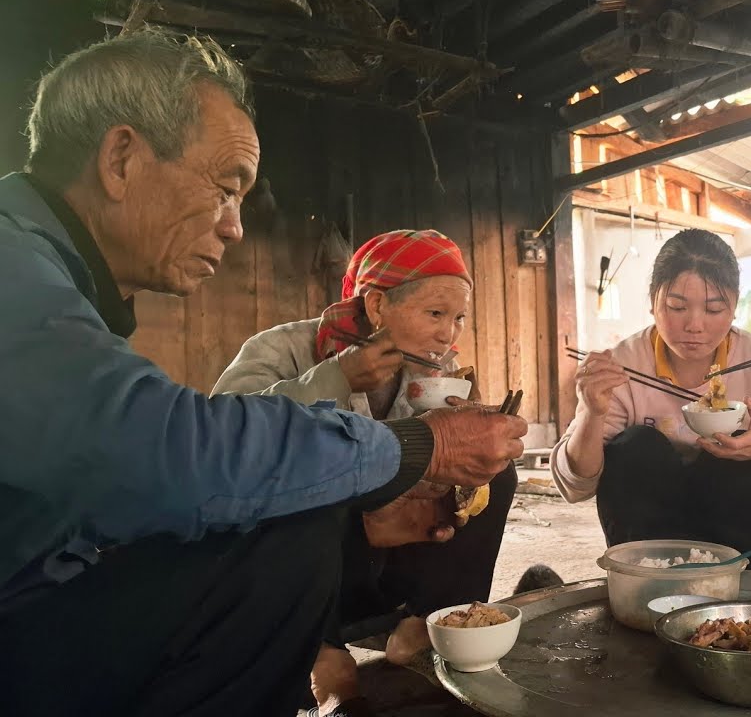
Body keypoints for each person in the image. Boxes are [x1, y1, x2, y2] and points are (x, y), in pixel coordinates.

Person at [0, 30, 526, 717]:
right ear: (121, 159)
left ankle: (414, 625)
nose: (234, 227)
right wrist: (417, 448)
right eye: (226, 188)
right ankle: (326, 652)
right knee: (282, 524)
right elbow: (177, 453)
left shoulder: (50, 276)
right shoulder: (14, 271)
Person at [215, 229, 556, 713]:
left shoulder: (434, 370)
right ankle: (322, 656)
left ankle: (424, 621)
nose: (448, 334)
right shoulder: (284, 348)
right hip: (306, 569)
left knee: (491, 473)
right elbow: (224, 437)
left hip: (395, 554)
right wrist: (337, 377)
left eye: (458, 318)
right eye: (435, 314)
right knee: (323, 468)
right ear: (376, 307)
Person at [551, 229, 751, 568]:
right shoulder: (622, 365)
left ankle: (735, 586)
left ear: (735, 307)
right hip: (646, 538)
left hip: (736, 537)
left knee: (744, 454)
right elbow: (575, 485)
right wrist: (592, 415)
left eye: (714, 309)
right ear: (653, 301)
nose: (694, 325)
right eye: (676, 306)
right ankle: (646, 579)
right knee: (636, 446)